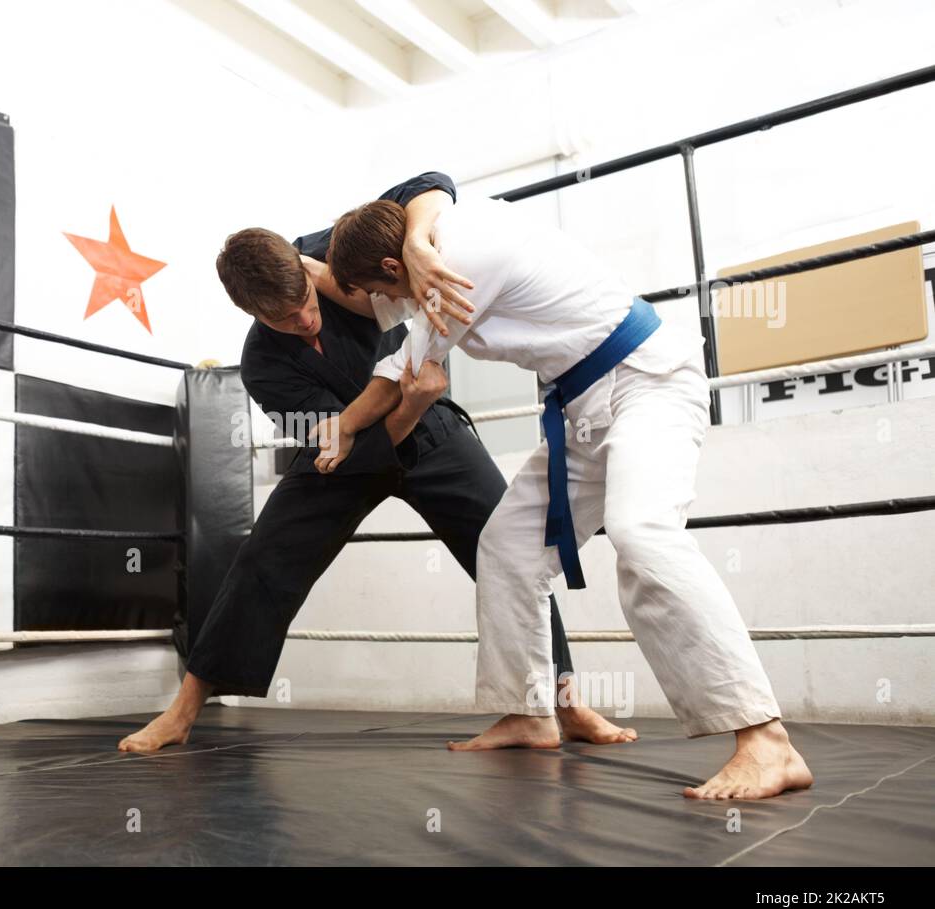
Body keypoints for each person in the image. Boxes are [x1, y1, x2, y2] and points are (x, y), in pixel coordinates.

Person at [118, 173, 635, 753]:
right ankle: (183, 710)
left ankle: (565, 703)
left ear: (305, 267)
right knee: (263, 559)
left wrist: (416, 242)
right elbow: (342, 443)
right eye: (286, 321)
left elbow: (429, 183)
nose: (305, 321)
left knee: (511, 550)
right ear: (253, 314)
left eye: (307, 304)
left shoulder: (332, 248)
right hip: (342, 458)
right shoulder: (262, 366)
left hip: (435, 434)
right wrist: (408, 402)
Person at [321, 195, 813, 799]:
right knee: (506, 546)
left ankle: (767, 742)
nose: (383, 305)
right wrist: (303, 267)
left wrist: (341, 428)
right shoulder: (435, 237)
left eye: (381, 289)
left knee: (642, 532)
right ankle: (529, 712)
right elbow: (381, 274)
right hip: (582, 407)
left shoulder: (462, 257)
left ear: (394, 268)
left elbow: (401, 368)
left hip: (645, 383)